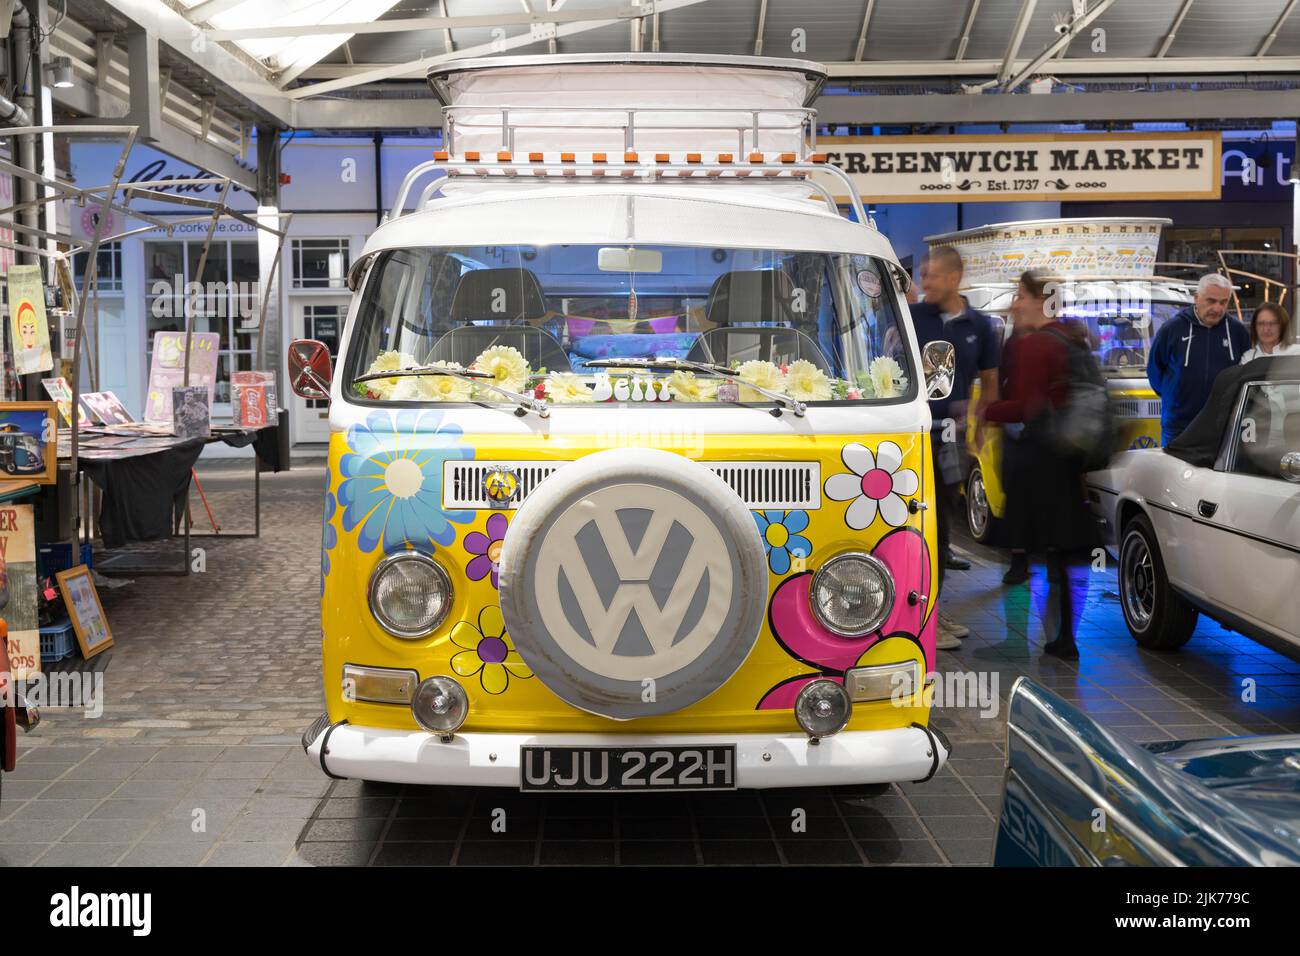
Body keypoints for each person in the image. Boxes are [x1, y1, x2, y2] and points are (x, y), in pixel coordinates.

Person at [981, 271, 1096, 660]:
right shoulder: (1073, 337)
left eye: (1020, 296)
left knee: (1022, 551)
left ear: (1036, 300)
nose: (1015, 303)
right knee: (1061, 553)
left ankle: (1015, 644)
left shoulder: (1035, 346)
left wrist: (985, 410)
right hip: (1067, 460)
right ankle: (1064, 639)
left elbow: (1023, 405)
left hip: (1038, 459)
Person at [911, 246, 1001, 649]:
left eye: (930, 275)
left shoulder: (980, 326)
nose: (924, 282)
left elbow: (991, 381)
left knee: (943, 527)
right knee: (918, 525)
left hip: (951, 442)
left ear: (954, 277)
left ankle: (933, 610)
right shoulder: (913, 319)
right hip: (912, 437)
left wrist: (978, 430)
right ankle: (923, 616)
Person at [1147, 273, 1250, 445]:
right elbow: (1155, 371)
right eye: (1211, 301)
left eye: (1223, 302)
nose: (1217, 308)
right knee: (1174, 471)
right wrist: (1175, 398)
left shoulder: (1237, 332)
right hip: (1178, 425)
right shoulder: (1172, 329)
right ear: (1196, 298)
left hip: (1222, 425)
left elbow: (1245, 372)